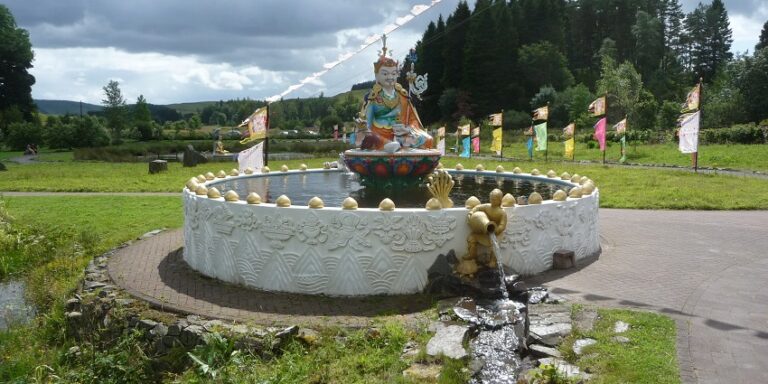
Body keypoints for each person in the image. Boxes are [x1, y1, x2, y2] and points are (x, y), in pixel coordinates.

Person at [357, 36, 433, 152]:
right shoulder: (373, 97)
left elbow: (413, 120)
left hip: (401, 133)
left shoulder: (403, 95)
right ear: (377, 76)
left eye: (393, 74)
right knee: (369, 137)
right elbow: (367, 124)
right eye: (385, 74)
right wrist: (363, 126)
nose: (390, 77)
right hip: (379, 133)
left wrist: (408, 129)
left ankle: (394, 146)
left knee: (428, 139)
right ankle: (388, 145)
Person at [457, 189, 508, 276]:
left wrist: (497, 230)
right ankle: (472, 255)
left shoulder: (502, 212)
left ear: (500, 200)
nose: (492, 200)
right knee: (471, 238)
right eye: (491, 198)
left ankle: (493, 260)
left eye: (495, 199)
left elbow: (502, 225)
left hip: (495, 234)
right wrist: (471, 212)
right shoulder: (487, 206)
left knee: (494, 246)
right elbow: (478, 207)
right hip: (484, 231)